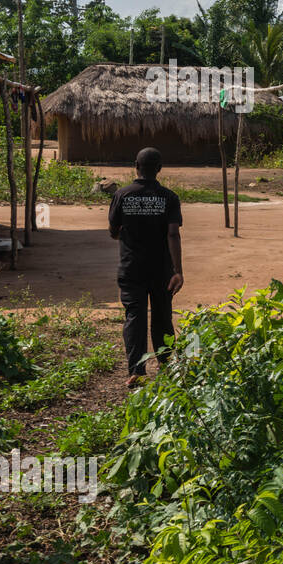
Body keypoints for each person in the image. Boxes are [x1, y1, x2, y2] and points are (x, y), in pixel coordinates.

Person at [108, 148, 184, 387]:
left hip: (131, 269)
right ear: (159, 169)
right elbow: (173, 234)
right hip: (161, 270)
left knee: (134, 318)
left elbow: (113, 231)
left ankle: (137, 371)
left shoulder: (122, 195)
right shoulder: (169, 198)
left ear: (135, 166)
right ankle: (165, 365)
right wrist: (177, 270)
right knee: (162, 316)